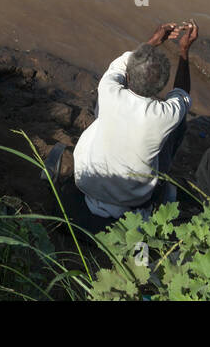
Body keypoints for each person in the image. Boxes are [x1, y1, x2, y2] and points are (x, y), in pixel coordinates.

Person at [73, 21, 197, 222]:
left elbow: (122, 64)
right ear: (160, 87)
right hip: (132, 199)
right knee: (179, 124)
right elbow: (181, 94)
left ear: (129, 75)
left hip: (85, 181)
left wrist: (153, 41)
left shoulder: (108, 89)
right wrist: (184, 50)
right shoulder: (164, 115)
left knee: (103, 116)